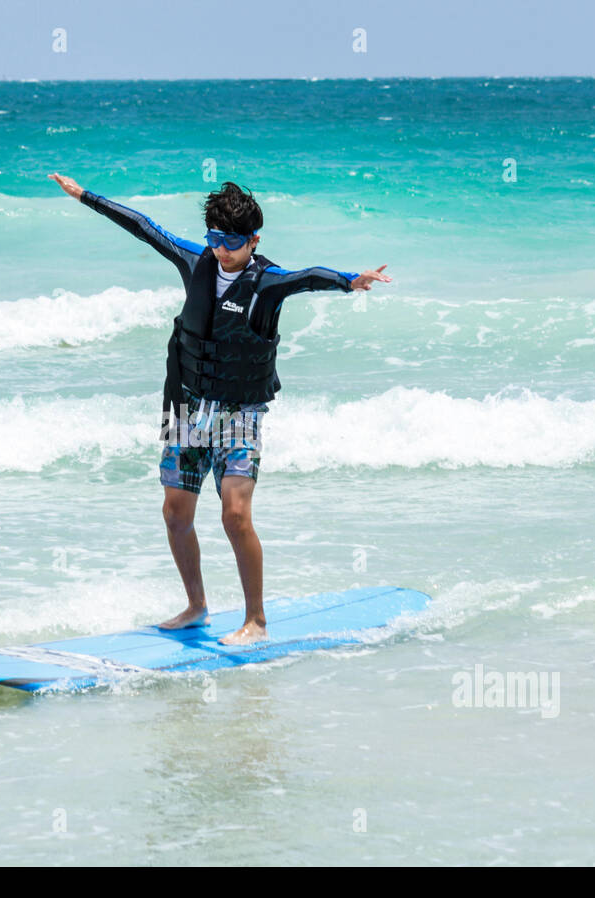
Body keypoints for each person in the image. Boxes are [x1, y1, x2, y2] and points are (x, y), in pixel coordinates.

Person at [49, 173, 390, 645]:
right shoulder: (197, 261)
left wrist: (350, 281)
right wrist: (86, 197)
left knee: (235, 515)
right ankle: (196, 607)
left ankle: (257, 621)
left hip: (240, 412)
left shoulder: (266, 283)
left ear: (253, 240)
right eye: (214, 238)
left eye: (231, 241)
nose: (221, 250)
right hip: (187, 406)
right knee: (174, 512)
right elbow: (145, 228)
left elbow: (305, 277)